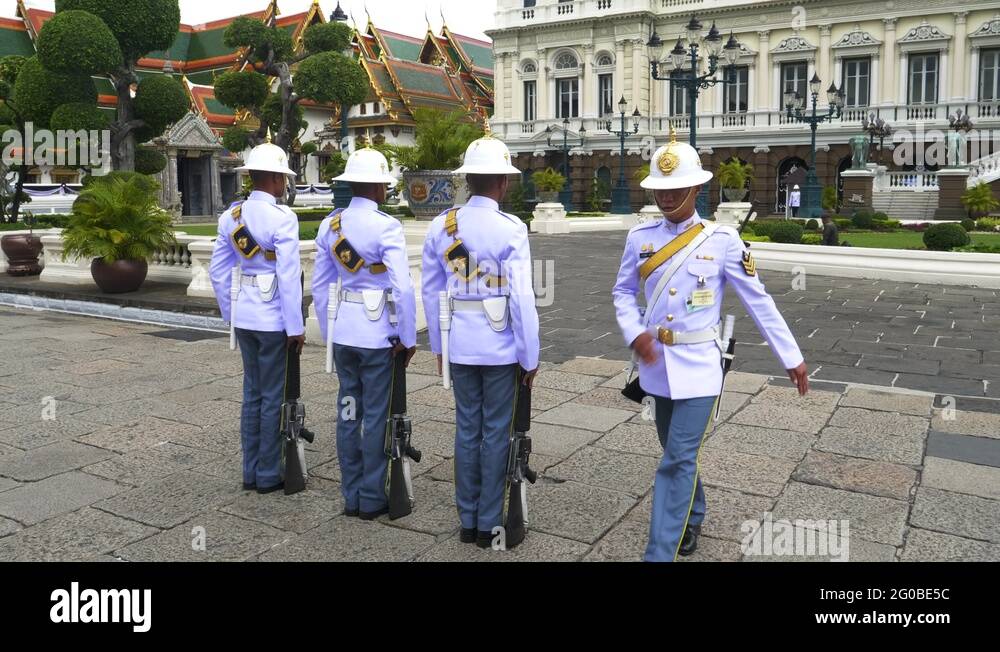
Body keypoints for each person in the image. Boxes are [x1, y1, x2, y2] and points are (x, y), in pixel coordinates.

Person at [613, 128, 810, 562]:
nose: (667, 198)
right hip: (656, 366)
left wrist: (791, 357)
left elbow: (758, 300)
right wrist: (635, 332)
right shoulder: (639, 239)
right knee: (675, 450)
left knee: (678, 459)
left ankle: (658, 553)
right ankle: (694, 511)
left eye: (676, 189)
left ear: (697, 187)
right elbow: (623, 293)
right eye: (660, 190)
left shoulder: (720, 241)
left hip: (701, 367)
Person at [421, 126, 540, 549]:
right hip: (501, 344)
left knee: (466, 429)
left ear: (467, 180)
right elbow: (522, 297)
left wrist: (439, 347)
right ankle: (490, 520)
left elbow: (431, 291)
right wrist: (530, 356)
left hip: (460, 344)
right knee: (496, 433)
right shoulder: (510, 229)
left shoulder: (442, 225)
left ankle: (467, 519)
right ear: (504, 182)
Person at [311, 145, 416, 520]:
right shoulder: (387, 226)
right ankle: (371, 497)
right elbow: (402, 288)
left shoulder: (331, 224)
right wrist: (407, 337)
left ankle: (351, 494)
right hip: (377, 337)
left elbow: (320, 286)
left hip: (345, 333)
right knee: (375, 417)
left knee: (348, 412)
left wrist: (329, 331)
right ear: (378, 187)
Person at [209, 140, 304, 495]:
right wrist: (295, 327)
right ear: (278, 180)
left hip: (245, 315)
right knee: (272, 396)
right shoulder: (284, 218)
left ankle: (250, 471)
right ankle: (267, 472)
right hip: (273, 318)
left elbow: (218, 272)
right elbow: (289, 277)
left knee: (252, 393)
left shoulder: (231, 217)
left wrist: (231, 314)